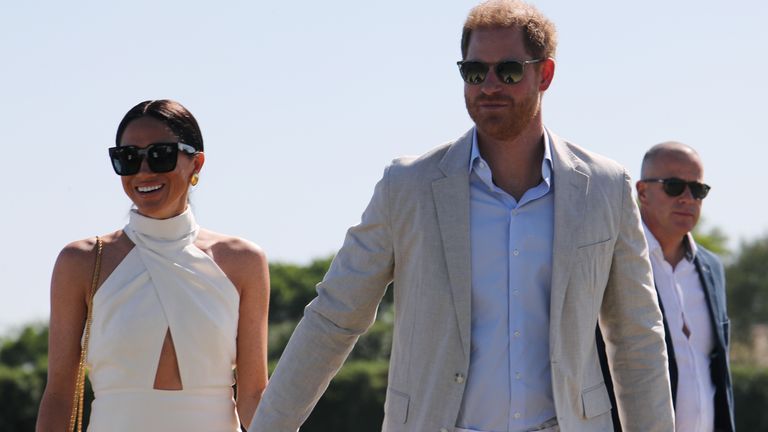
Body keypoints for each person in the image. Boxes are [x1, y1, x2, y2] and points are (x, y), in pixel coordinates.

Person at [251, 1, 674, 431]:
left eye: (507, 71)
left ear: (544, 74)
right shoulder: (408, 186)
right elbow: (334, 316)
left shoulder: (605, 187)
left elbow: (637, 339)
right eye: (474, 72)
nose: (489, 85)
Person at [35, 99, 270, 431]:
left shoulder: (244, 261)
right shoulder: (80, 261)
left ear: (197, 163)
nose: (144, 171)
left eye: (161, 155)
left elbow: (254, 396)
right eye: (128, 159)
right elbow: (58, 397)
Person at [599, 142, 734, 432]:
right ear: (642, 192)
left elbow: (718, 375)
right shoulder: (612, 261)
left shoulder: (712, 269)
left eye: (698, 190)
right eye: (674, 186)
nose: (688, 198)